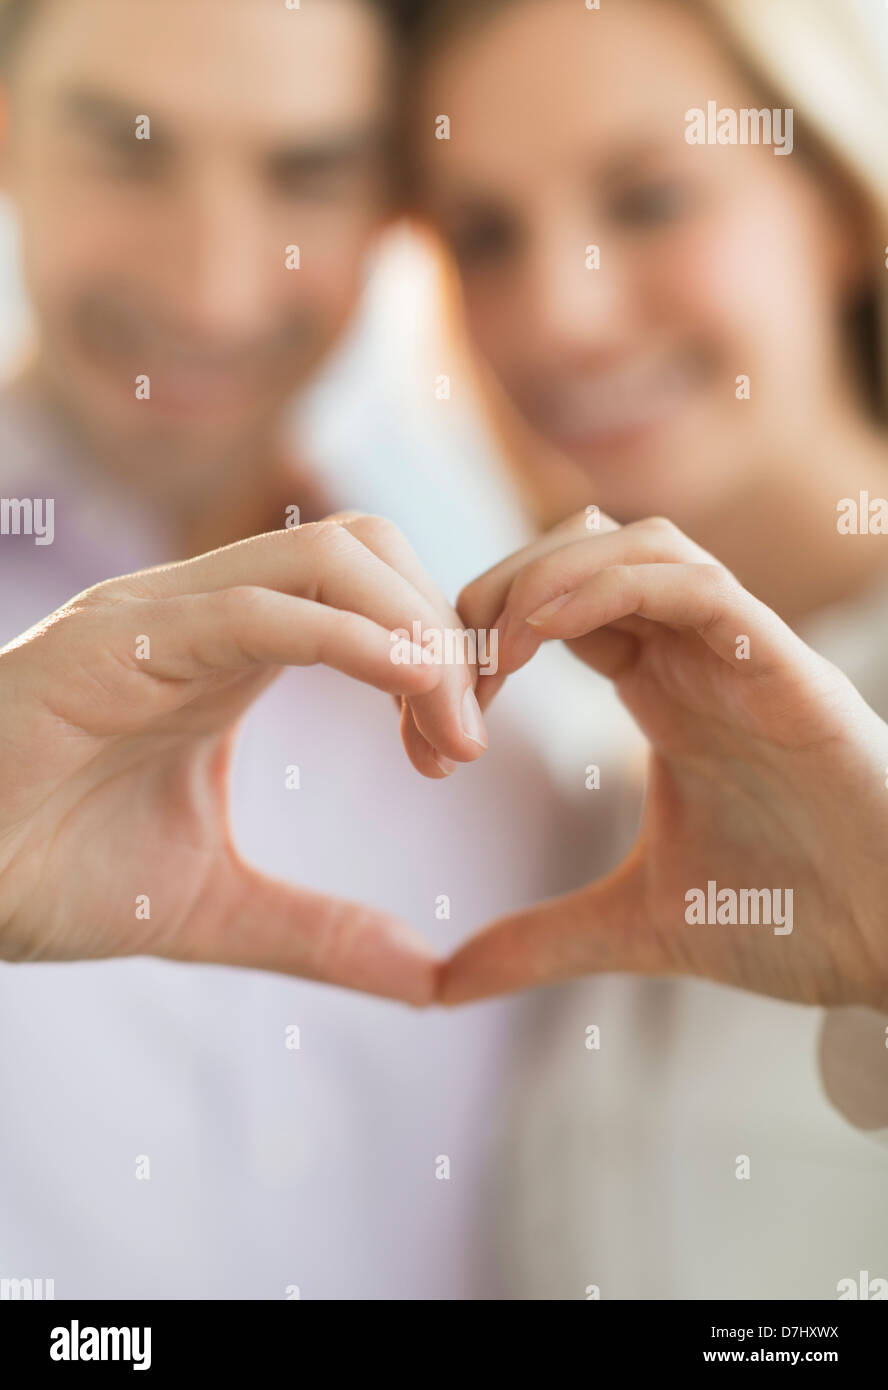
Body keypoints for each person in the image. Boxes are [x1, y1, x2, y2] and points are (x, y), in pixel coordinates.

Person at [0, 0, 599, 1300]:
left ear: (395, 206)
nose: (211, 287)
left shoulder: (542, 747)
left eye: (308, 172)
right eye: (129, 146)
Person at [400, 0, 888, 1296]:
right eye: (485, 234)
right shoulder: (560, 780)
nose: (558, 312)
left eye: (653, 197)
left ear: (840, 203)